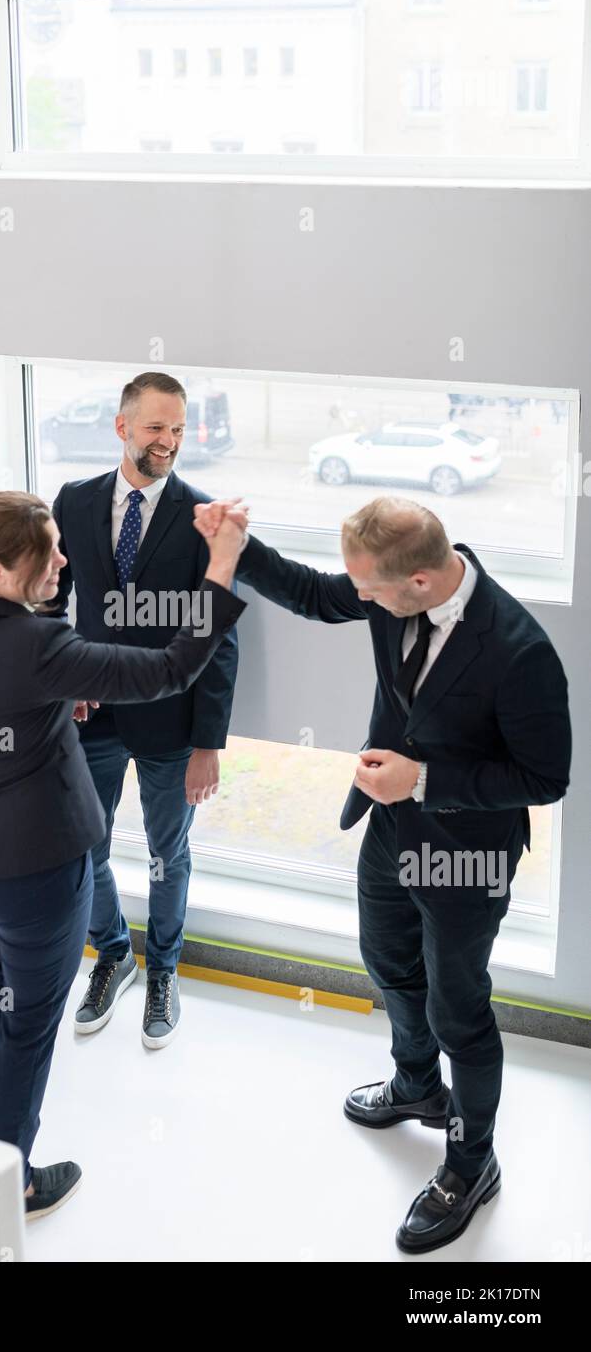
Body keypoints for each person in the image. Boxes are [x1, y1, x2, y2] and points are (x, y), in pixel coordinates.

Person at [194, 494, 571, 1255]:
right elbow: (310, 592)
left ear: (423, 581)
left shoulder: (519, 652)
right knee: (388, 961)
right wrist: (240, 541)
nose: (357, 596)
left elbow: (543, 777)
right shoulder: (390, 591)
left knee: (459, 1008)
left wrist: (424, 779)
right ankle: (415, 1086)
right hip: (392, 825)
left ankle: (470, 1163)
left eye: (369, 587)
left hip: (465, 852)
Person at [0, 490, 247, 1220]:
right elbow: (170, 670)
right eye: (49, 552)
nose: (64, 560)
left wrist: (41, 703)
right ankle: (9, 1181)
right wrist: (221, 567)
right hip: (34, 865)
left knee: (0, 967)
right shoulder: (37, 646)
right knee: (30, 1019)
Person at [51, 372, 240, 1047]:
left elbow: (218, 635)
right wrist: (64, 677)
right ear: (123, 427)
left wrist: (209, 743)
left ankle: (164, 968)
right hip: (91, 716)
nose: (169, 441)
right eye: (157, 427)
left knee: (169, 852)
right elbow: (50, 600)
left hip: (172, 723)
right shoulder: (72, 503)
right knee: (84, 843)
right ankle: (113, 954)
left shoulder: (205, 519)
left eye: (180, 429)